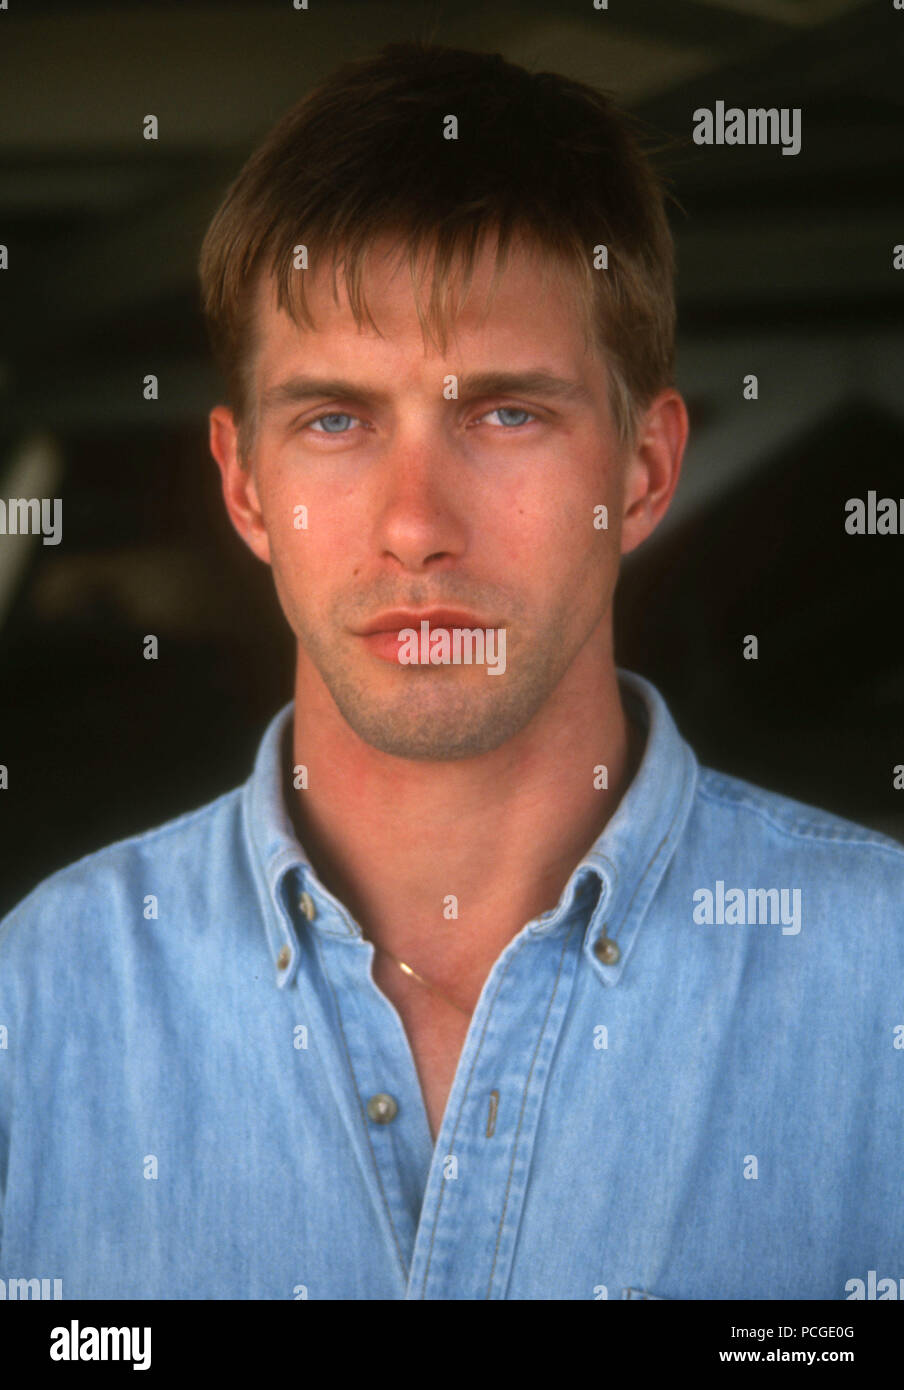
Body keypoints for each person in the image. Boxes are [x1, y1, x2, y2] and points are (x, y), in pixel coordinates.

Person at [1, 41, 901, 1303]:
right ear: (245, 486)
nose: (414, 522)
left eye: (505, 413)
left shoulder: (881, 981)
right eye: (334, 420)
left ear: (641, 473)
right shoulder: (39, 998)